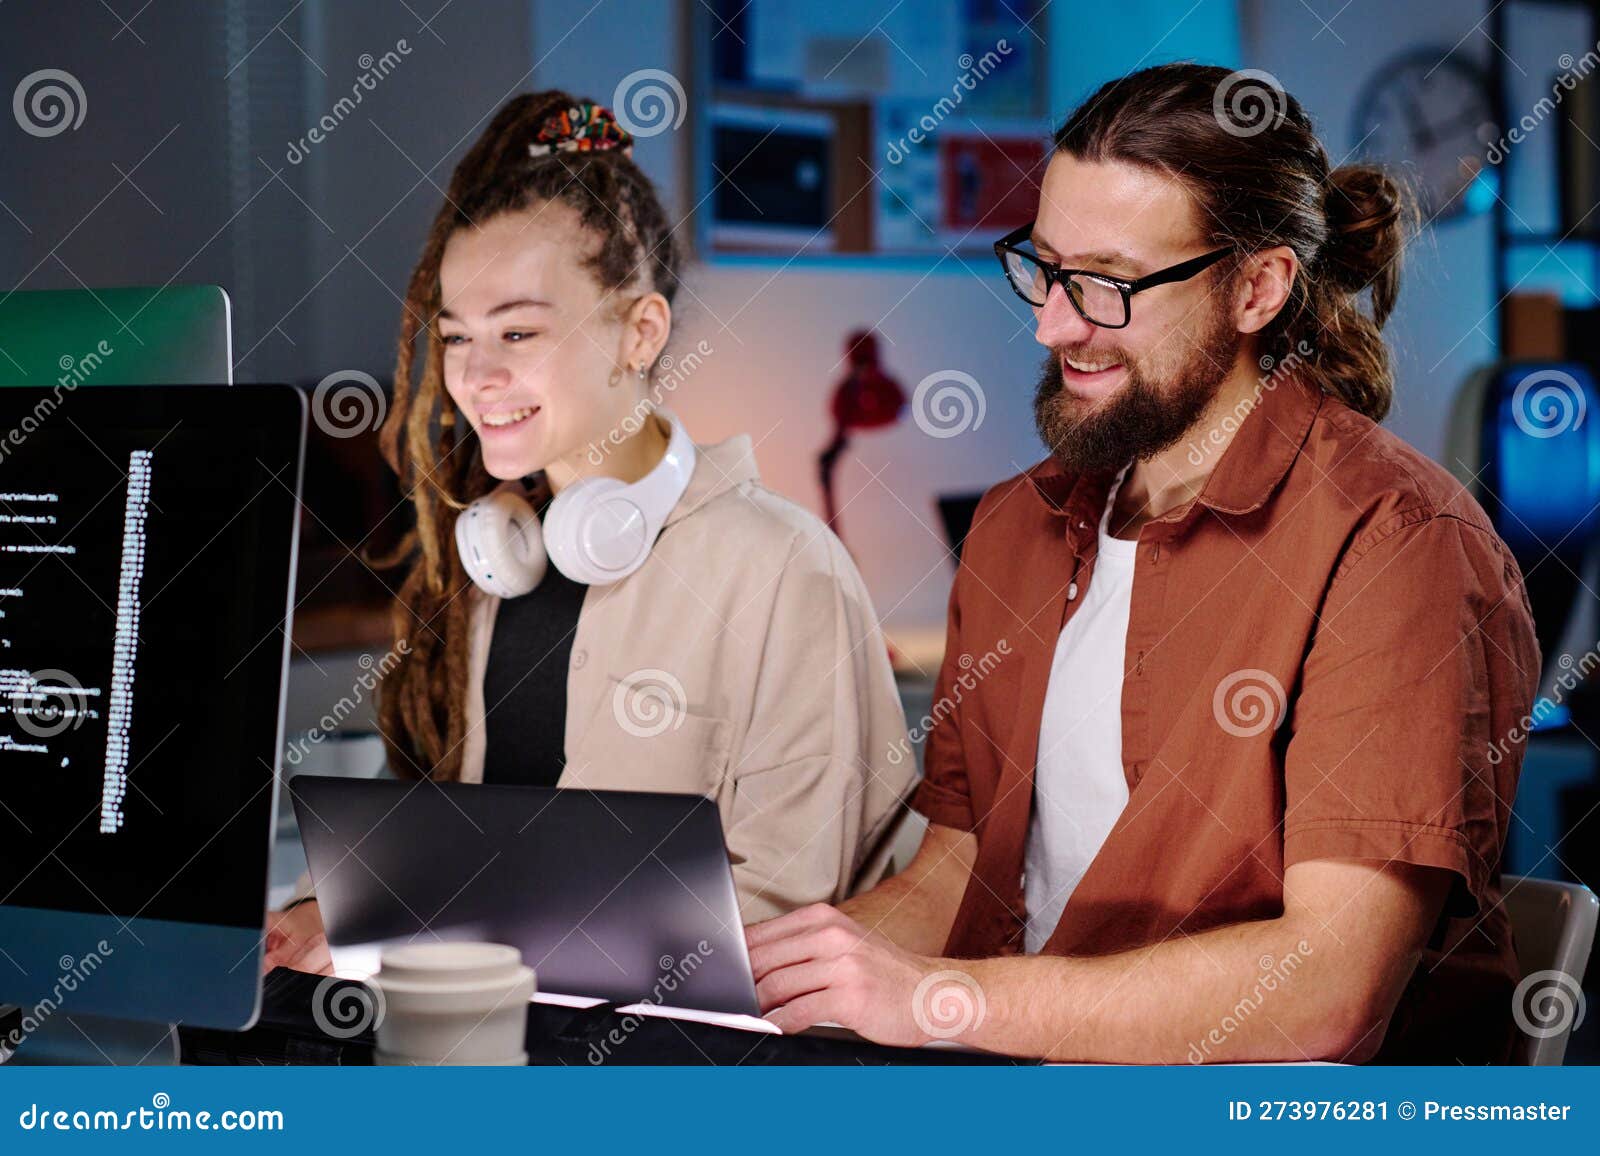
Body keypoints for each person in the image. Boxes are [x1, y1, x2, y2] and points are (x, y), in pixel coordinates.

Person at [746, 63, 1540, 1064]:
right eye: (1042, 267)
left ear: (1256, 288)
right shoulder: (1010, 528)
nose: (1051, 323)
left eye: (1108, 285)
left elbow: (1330, 994)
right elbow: (964, 873)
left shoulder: (1396, 543)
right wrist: (756, 974)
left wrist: (944, 1000)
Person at [264, 93, 914, 974]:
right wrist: (329, 906)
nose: (477, 376)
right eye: (457, 337)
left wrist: (418, 940)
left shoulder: (784, 569)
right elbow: (442, 838)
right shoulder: (493, 562)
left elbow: (783, 920)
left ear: (640, 333)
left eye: (519, 330)